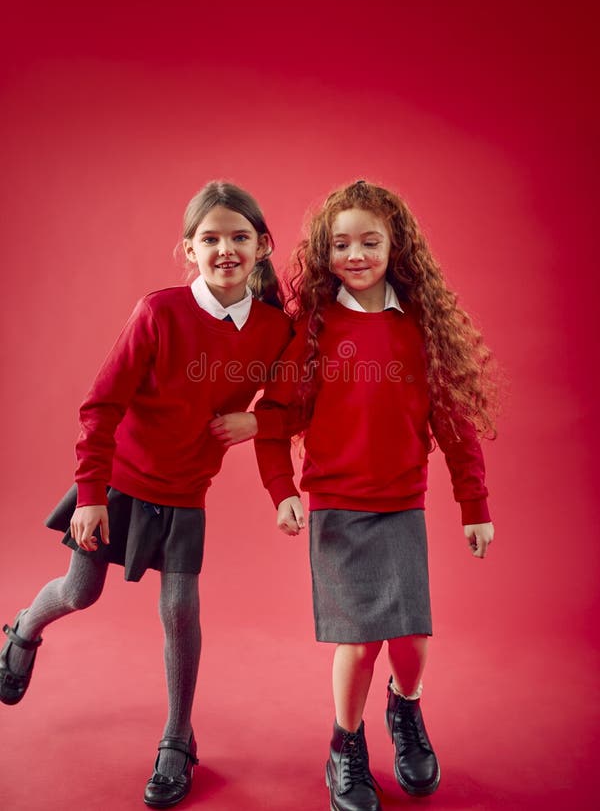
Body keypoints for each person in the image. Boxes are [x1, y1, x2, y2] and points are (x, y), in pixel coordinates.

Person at [0, 181, 291, 808]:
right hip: (117, 484)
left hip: (186, 491)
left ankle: (177, 740)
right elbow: (99, 405)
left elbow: (295, 409)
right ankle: (22, 632)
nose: (225, 250)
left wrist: (259, 422)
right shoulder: (159, 312)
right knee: (79, 590)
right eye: (209, 239)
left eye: (240, 237)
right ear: (188, 249)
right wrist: (89, 496)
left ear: (263, 245)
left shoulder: (275, 331)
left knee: (180, 610)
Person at [244, 180, 496, 811]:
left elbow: (455, 423)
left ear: (395, 246)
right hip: (337, 508)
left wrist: (475, 504)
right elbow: (274, 419)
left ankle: (405, 711)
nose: (355, 254)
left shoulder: (419, 329)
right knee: (359, 644)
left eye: (370, 241)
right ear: (325, 253)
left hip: (402, 505)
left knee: (411, 640)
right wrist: (282, 492)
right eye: (341, 243)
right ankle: (344, 746)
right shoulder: (312, 331)